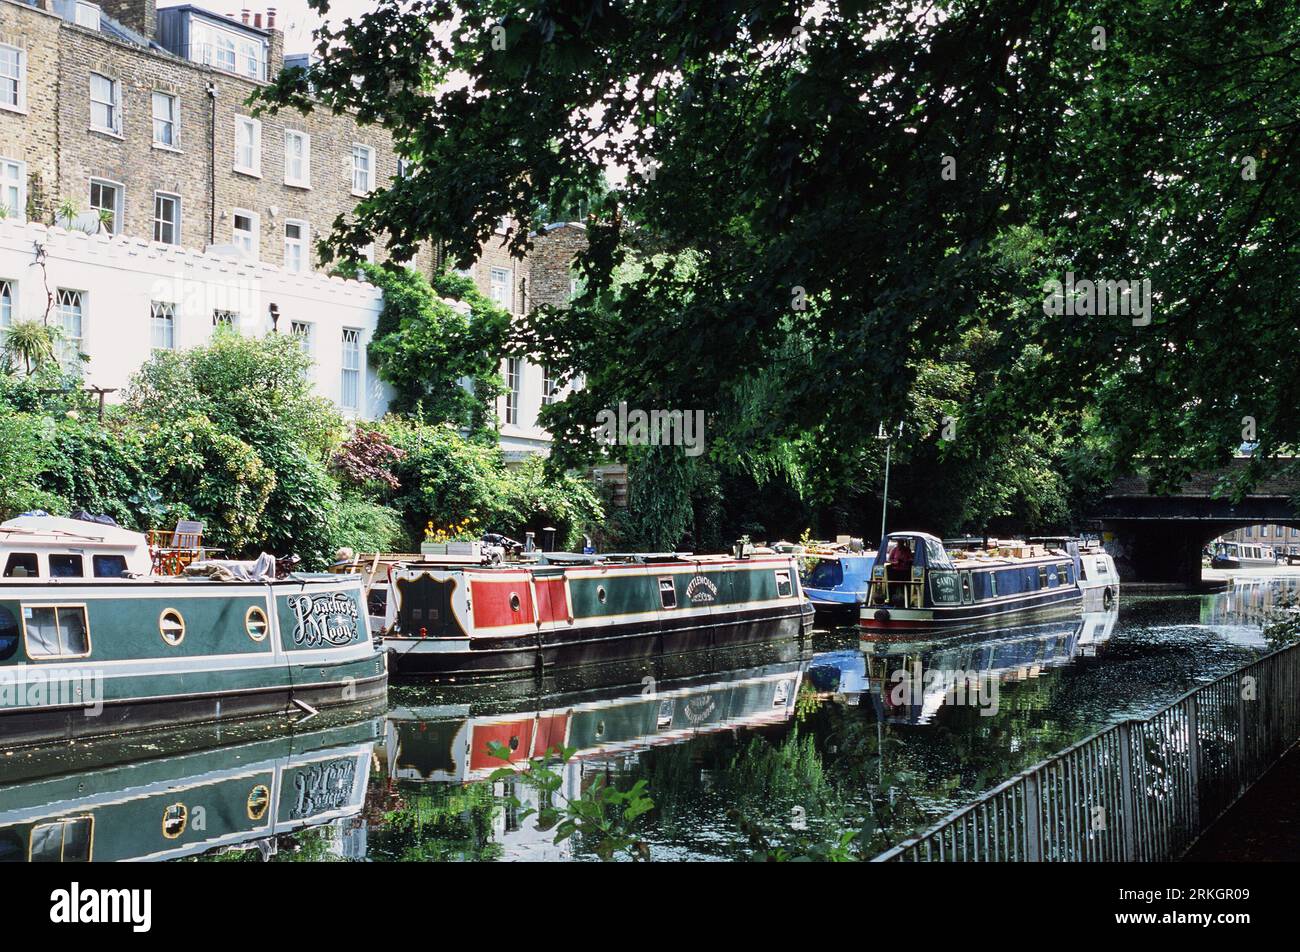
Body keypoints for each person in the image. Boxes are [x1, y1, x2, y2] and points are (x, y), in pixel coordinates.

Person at [886, 539, 913, 606]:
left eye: (901, 543)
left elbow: (911, 559)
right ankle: (891, 602)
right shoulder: (894, 549)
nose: (899, 544)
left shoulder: (907, 550)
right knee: (892, 586)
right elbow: (889, 560)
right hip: (895, 570)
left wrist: (905, 561)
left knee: (905, 587)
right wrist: (895, 562)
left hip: (905, 571)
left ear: (903, 543)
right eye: (898, 543)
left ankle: (906, 602)